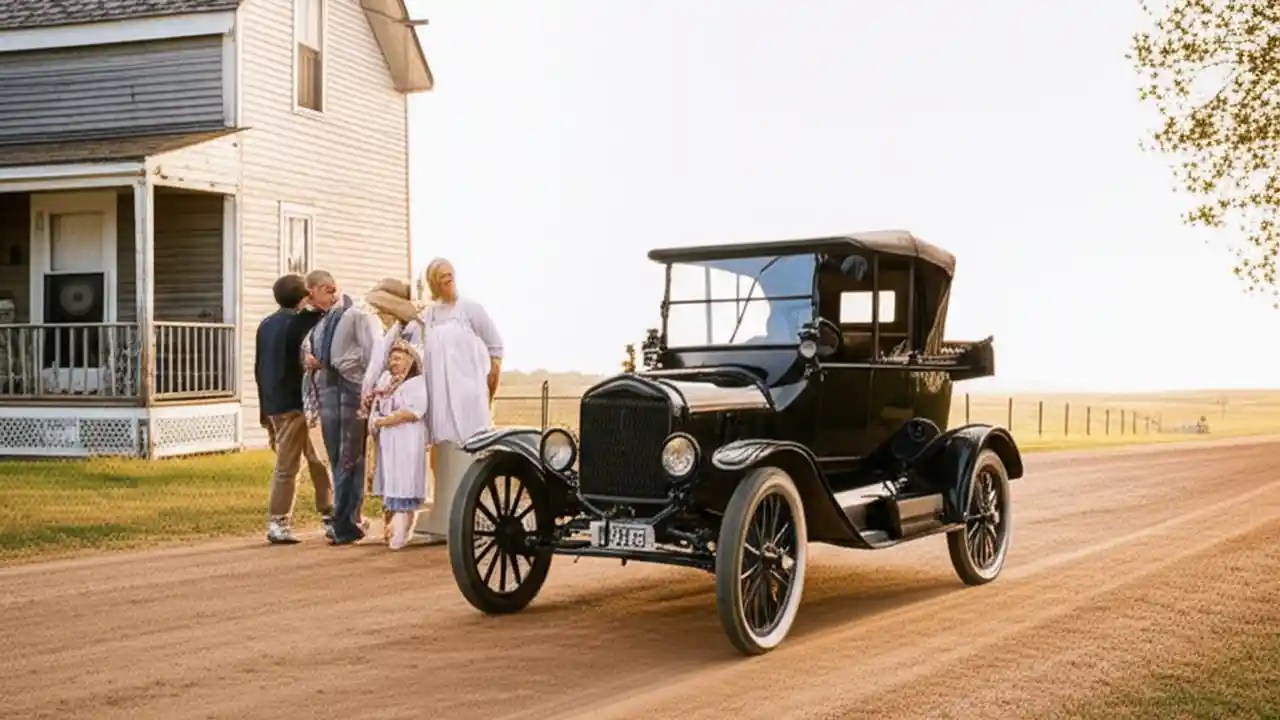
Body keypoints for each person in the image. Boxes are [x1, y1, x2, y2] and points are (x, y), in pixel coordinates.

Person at [415, 258, 504, 543]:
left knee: (471, 450)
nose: (448, 280)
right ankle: (445, 520)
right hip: (440, 394)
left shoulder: (471, 310)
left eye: (451, 275)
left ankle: (478, 518)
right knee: (443, 454)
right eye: (442, 277)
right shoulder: (428, 315)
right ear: (433, 283)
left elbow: (496, 347)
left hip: (469, 393)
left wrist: (490, 386)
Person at [302, 269, 383, 545]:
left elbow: (374, 351)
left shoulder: (357, 313)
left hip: (351, 387)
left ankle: (347, 522)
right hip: (328, 384)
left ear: (328, 289)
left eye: (312, 295)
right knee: (336, 454)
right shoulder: (323, 321)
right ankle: (346, 519)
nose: (309, 302)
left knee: (351, 455)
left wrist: (368, 388)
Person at [254, 273, 334, 545]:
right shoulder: (302, 323)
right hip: (298, 403)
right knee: (305, 463)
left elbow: (259, 368)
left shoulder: (266, 325)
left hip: (274, 403)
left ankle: (323, 516)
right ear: (305, 296)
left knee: (304, 461)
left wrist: (264, 412)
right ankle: (284, 521)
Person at [366, 339, 431, 550]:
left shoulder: (417, 383)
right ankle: (393, 529)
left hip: (407, 438)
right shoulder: (387, 382)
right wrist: (376, 420)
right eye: (391, 359)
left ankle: (401, 533)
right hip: (389, 440)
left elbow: (413, 412)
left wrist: (384, 420)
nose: (393, 363)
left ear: (410, 360)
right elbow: (377, 407)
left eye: (398, 358)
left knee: (405, 484)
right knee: (392, 484)